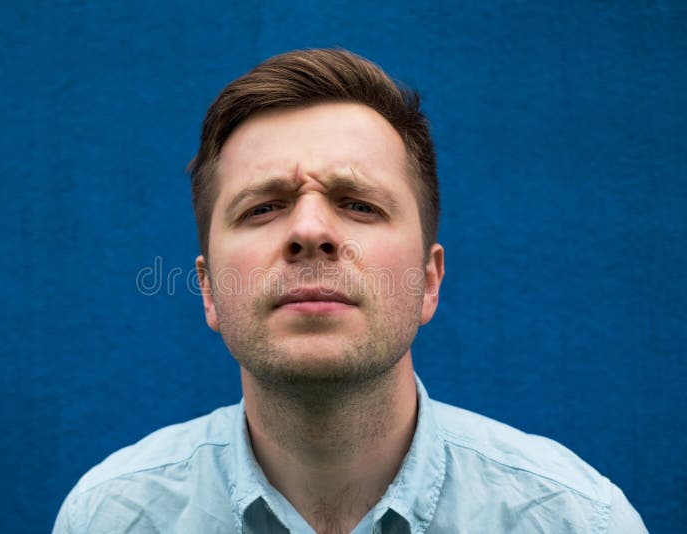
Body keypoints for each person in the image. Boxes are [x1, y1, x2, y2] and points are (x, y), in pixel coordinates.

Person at [53, 49, 647, 533]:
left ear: (428, 282)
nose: (311, 232)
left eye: (359, 204)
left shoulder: (576, 521)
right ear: (208, 290)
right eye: (263, 208)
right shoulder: (112, 519)